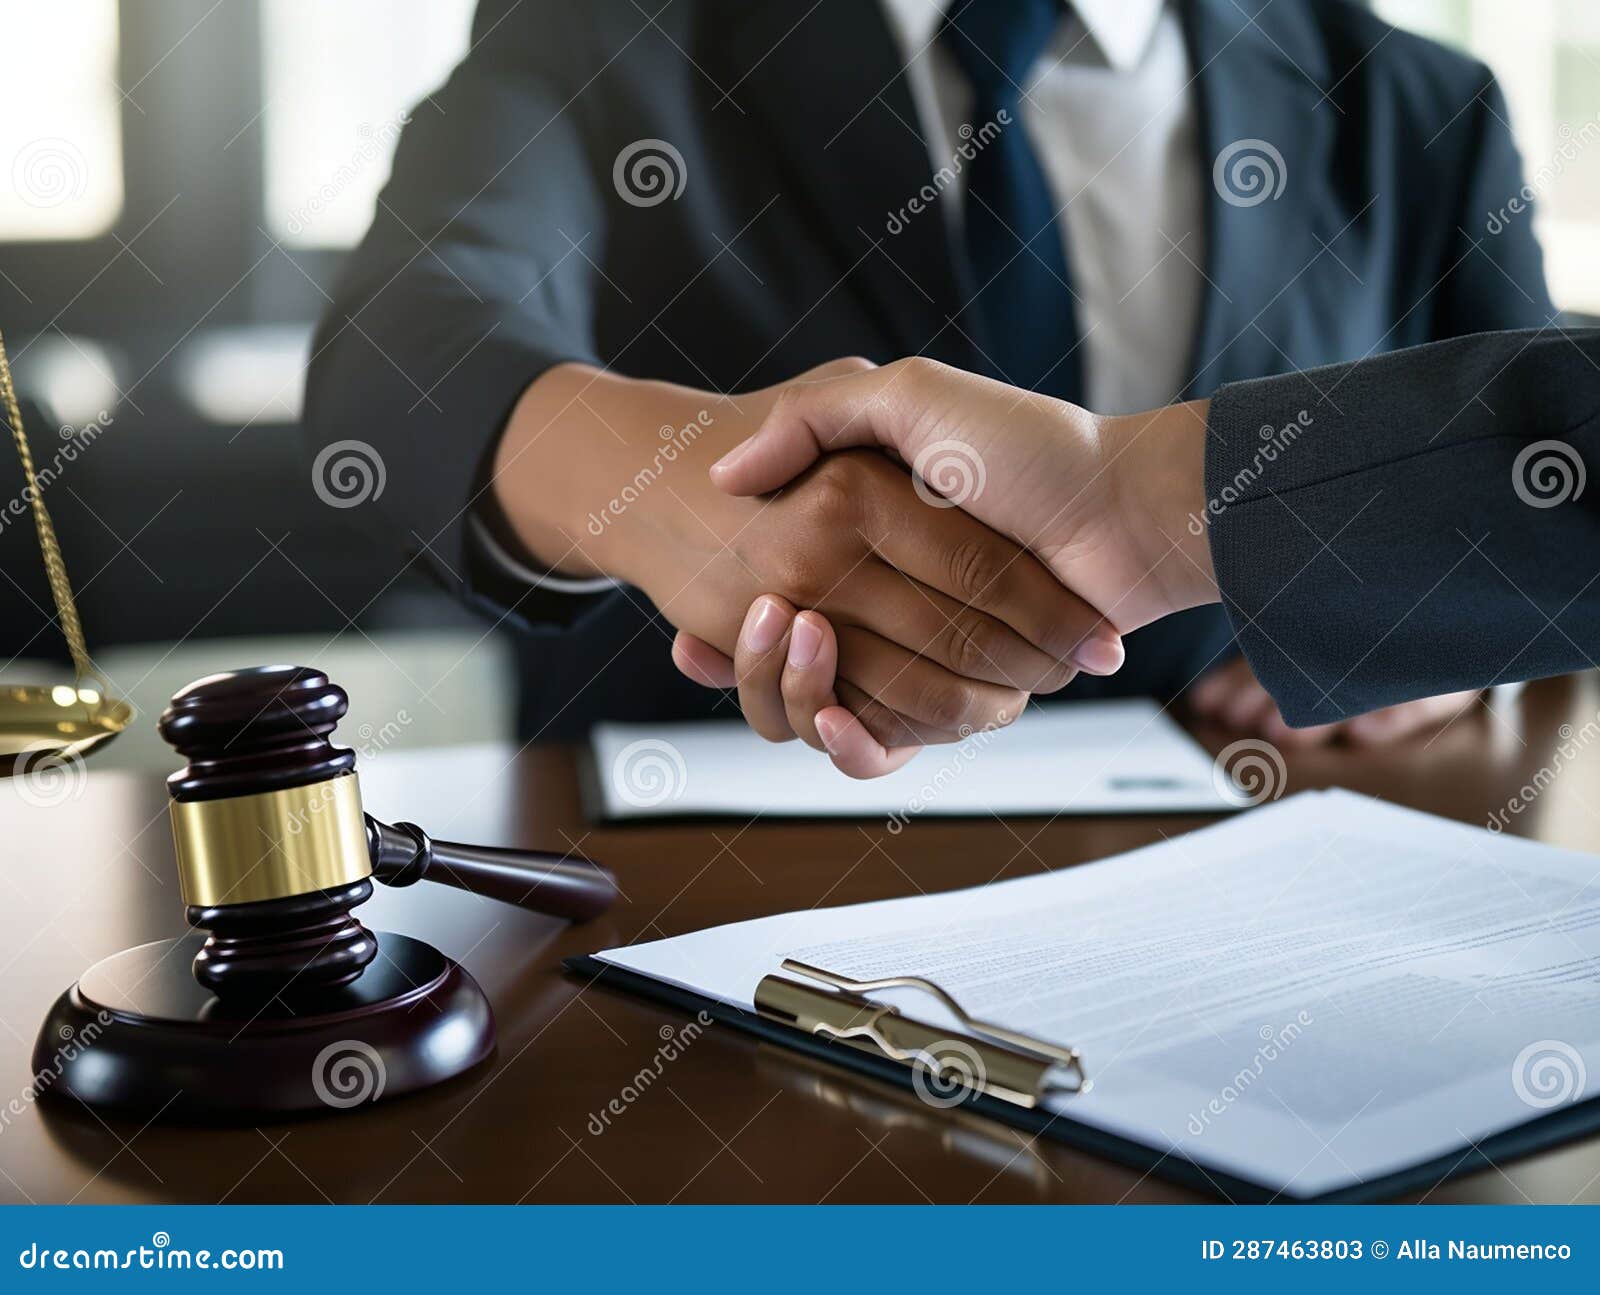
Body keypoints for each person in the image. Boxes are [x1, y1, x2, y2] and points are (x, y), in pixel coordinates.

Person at [303, 0, 1552, 745]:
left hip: (1261, 870)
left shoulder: (1417, 104)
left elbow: (1538, 474)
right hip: (708, 926)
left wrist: (1433, 628)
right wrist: (673, 491)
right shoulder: (607, 31)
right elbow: (397, 356)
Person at [677, 331, 1600, 775]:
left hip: (1293, 791)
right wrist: (1115, 500)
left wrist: (1447, 625)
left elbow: (1546, 453)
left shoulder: (1415, 96)